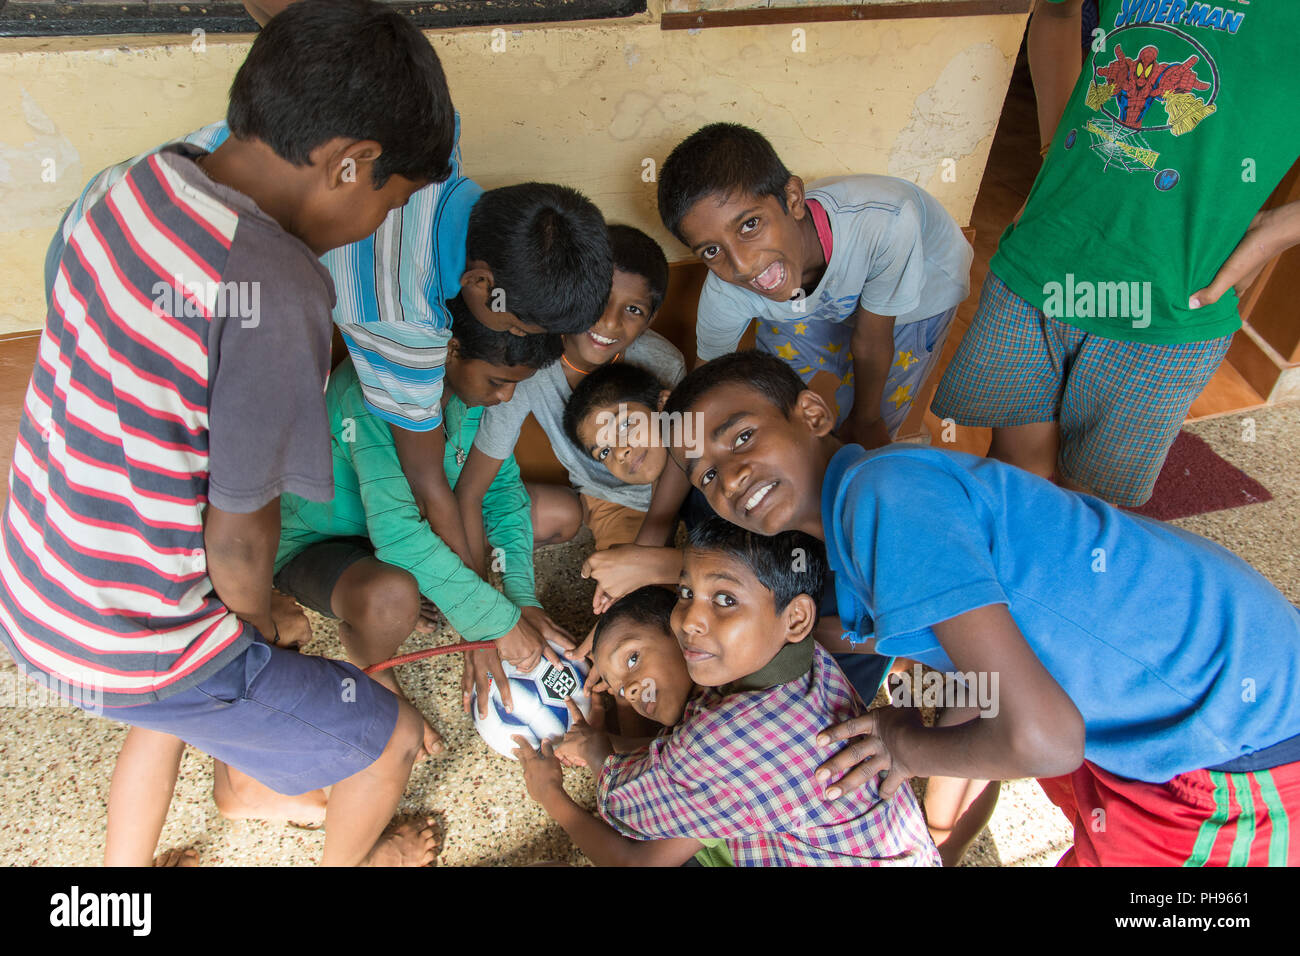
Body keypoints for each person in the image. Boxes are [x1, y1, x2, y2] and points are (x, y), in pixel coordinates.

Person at [0, 0, 455, 866]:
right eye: (392, 202)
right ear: (353, 166)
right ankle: (353, 852)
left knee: (165, 711)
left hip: (37, 597)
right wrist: (261, 620)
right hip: (133, 636)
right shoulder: (277, 287)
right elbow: (241, 541)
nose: (379, 226)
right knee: (386, 739)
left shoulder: (135, 183)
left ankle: (121, 890)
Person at [663, 349, 1300, 866]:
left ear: (811, 412)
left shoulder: (883, 499)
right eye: (706, 477)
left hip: (1239, 739)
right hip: (1178, 687)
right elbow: (973, 667)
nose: (731, 475)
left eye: (741, 437)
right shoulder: (865, 507)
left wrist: (904, 743)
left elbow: (1046, 741)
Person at [931, 0, 1300, 506]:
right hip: (1041, 261)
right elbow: (1058, 14)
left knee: (1088, 508)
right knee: (1015, 481)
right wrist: (1051, 155)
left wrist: (1279, 228)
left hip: (1171, 302)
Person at [516, 527, 940, 866]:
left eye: (724, 599)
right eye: (686, 594)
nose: (691, 621)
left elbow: (629, 824)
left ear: (795, 618)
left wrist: (556, 789)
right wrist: (606, 744)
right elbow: (687, 757)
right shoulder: (796, 660)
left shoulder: (723, 739)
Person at [658, 122, 971, 451]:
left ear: (793, 199)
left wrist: (865, 422)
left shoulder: (885, 224)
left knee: (874, 415)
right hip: (821, 293)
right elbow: (710, 376)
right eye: (711, 250)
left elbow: (871, 341)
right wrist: (683, 423)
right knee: (780, 393)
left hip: (919, 293)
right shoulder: (729, 288)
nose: (742, 264)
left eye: (750, 225)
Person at [456, 224, 684, 556]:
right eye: (599, 299)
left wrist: (650, 548)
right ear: (572, 290)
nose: (609, 323)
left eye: (633, 310)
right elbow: (473, 488)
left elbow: (684, 453)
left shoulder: (663, 360)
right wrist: (475, 593)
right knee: (630, 589)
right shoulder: (528, 364)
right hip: (609, 500)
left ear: (650, 319)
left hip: (671, 490)